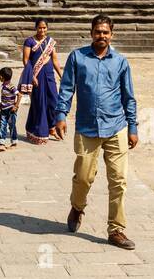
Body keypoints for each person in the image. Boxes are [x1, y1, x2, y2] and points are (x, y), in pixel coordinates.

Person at [56, 14, 139, 250]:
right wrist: (60, 115)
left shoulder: (120, 62)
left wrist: (133, 127)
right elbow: (67, 88)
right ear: (91, 33)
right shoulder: (78, 58)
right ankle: (77, 206)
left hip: (116, 126)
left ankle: (116, 229)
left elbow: (128, 97)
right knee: (83, 177)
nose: (101, 36)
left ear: (111, 35)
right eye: (97, 32)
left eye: (105, 32)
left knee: (119, 180)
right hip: (87, 126)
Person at [22, 18, 61, 143]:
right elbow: (26, 60)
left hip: (49, 75)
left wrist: (61, 75)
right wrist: (31, 76)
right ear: (36, 28)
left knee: (54, 101)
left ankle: (52, 126)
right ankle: (37, 131)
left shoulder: (50, 42)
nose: (42, 30)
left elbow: (54, 60)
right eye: (40, 27)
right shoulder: (29, 41)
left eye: (44, 28)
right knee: (39, 103)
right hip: (36, 76)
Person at [0, 67, 20, 149]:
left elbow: (19, 95)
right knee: (2, 125)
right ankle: (2, 143)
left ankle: (14, 142)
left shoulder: (11, 86)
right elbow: (5, 97)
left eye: (0, 75)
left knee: (12, 126)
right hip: (3, 109)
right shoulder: (3, 86)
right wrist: (1, 103)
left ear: (2, 77)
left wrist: (16, 105)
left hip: (11, 110)